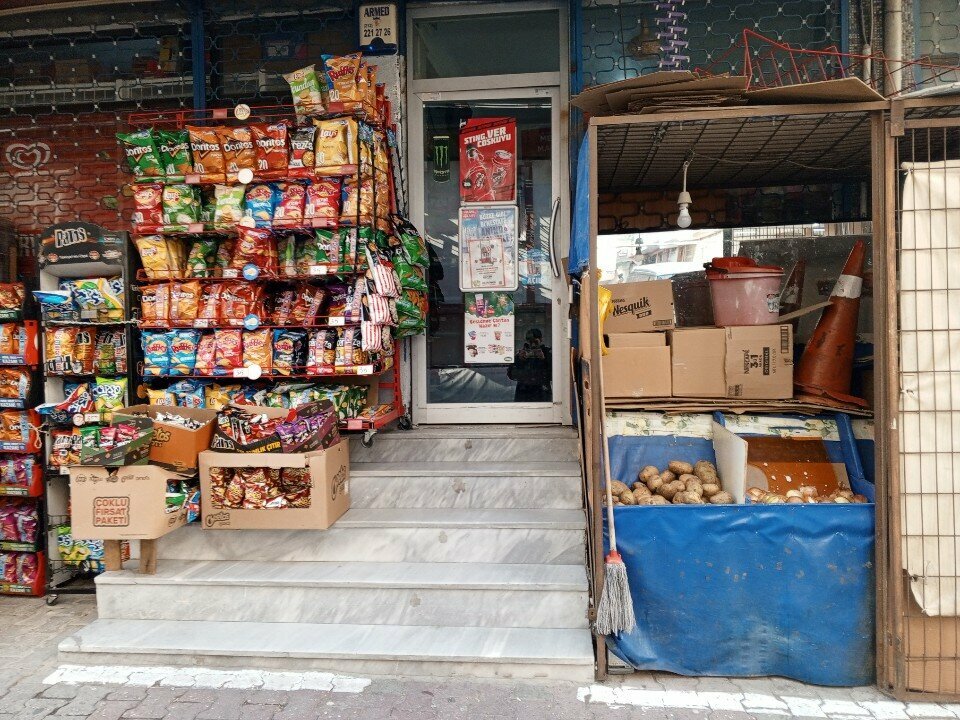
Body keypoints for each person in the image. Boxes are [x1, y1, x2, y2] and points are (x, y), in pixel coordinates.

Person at [508, 328, 551, 402]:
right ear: (527, 342)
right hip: (523, 393)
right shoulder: (522, 354)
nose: (533, 345)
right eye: (530, 342)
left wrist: (543, 360)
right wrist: (519, 360)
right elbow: (511, 375)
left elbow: (552, 375)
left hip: (541, 393)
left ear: (541, 340)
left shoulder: (547, 354)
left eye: (535, 342)